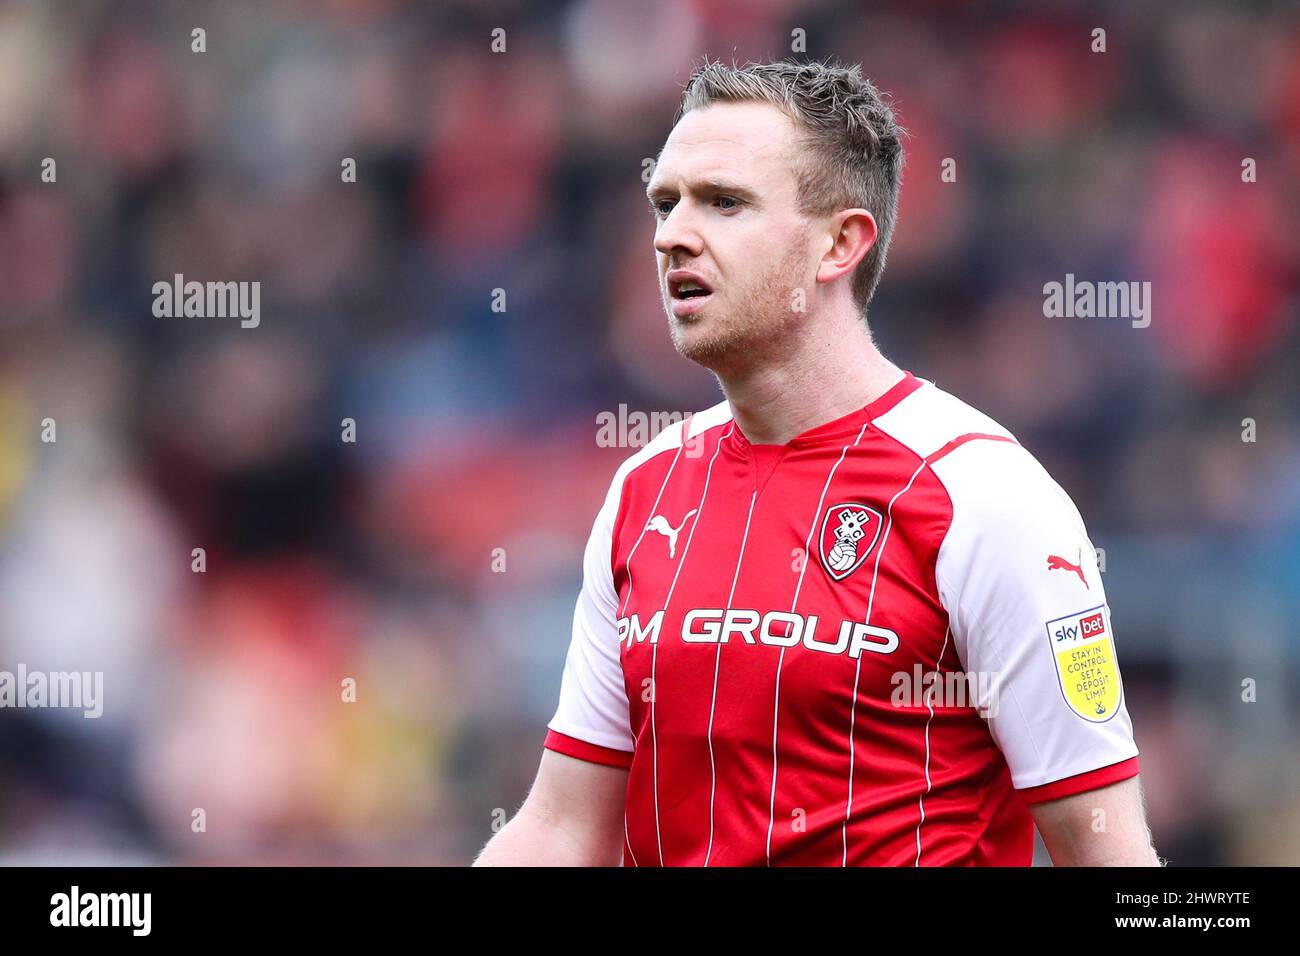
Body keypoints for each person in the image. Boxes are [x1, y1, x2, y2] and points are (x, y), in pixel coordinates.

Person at [476, 58, 1159, 866]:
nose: (672, 235)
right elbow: (563, 828)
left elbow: (1106, 852)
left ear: (840, 243)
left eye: (724, 202)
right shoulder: (644, 491)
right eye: (666, 202)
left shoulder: (983, 495)